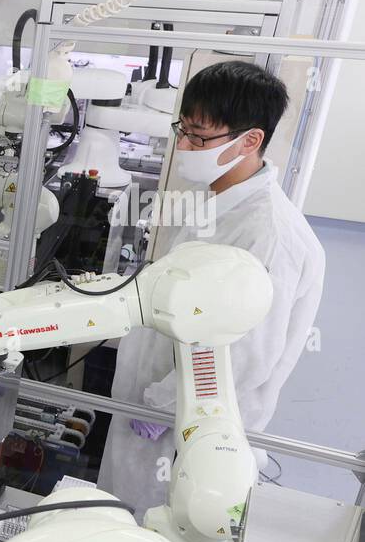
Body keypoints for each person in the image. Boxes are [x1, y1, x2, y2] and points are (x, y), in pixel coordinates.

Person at [98, 60, 326, 517]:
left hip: (185, 431)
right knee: (120, 524)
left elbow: (246, 356)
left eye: (199, 137)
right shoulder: (219, 199)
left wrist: (160, 404)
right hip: (152, 410)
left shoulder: (270, 236)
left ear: (251, 140)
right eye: (182, 130)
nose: (183, 145)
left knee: (157, 536)